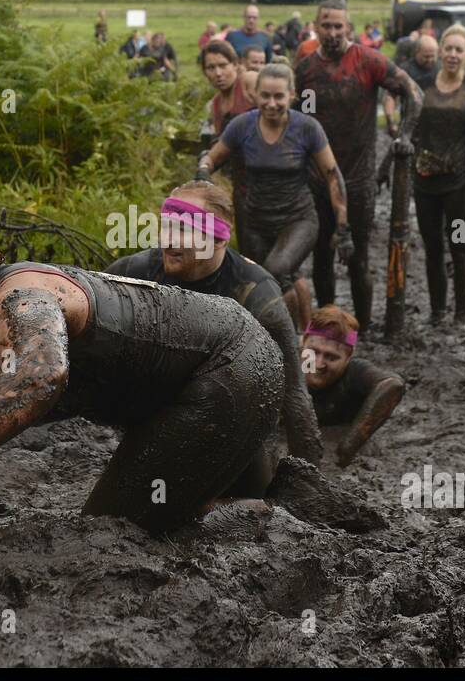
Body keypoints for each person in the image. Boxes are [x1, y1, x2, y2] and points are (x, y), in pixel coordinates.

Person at [0, 201, 285, 533]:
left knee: (112, 531)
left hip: (229, 361)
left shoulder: (22, 296)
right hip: (159, 400)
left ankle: (263, 517)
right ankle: (238, 496)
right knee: (125, 518)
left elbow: (42, 375)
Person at [106, 181, 324, 475]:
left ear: (218, 240)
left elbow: (295, 393)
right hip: (152, 416)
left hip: (232, 426)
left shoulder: (256, 293)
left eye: (183, 231)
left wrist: (308, 480)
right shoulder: (136, 271)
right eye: (167, 227)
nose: (169, 240)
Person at [295, 0, 425, 332]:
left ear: (349, 28)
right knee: (322, 258)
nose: (333, 32)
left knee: (358, 258)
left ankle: (362, 330)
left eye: (339, 26)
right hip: (317, 179)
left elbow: (414, 92)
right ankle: (326, 327)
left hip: (359, 177)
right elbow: (294, 117)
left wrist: (405, 136)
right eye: (327, 25)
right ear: (316, 26)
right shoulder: (306, 69)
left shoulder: (368, 61)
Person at [198, 64, 351, 327]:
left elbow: (332, 175)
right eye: (265, 96)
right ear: (254, 95)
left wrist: (343, 226)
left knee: (276, 271)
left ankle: (288, 339)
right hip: (256, 221)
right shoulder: (242, 125)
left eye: (278, 96)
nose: (271, 103)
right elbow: (212, 157)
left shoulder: (307, 127)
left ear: (291, 95)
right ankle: (302, 336)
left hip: (298, 219)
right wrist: (202, 173)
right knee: (273, 279)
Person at [410, 24, 465, 326]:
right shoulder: (422, 84)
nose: (453, 55)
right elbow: (411, 129)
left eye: (460, 50)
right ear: (441, 51)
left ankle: (460, 315)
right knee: (432, 248)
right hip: (425, 183)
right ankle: (437, 311)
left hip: (457, 186)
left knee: (459, 248)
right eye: (449, 48)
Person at [301, 305, 404, 466]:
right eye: (313, 352)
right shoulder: (284, 363)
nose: (318, 363)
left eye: (331, 357)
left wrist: (349, 446)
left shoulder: (355, 372)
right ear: (302, 343)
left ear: (349, 357)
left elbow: (392, 386)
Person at [196, 39, 257, 246]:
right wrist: (206, 161)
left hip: (272, 180)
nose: (218, 73)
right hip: (242, 185)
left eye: (223, 65)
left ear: (235, 64)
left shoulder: (249, 82)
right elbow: (224, 146)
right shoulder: (216, 105)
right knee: (250, 251)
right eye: (211, 68)